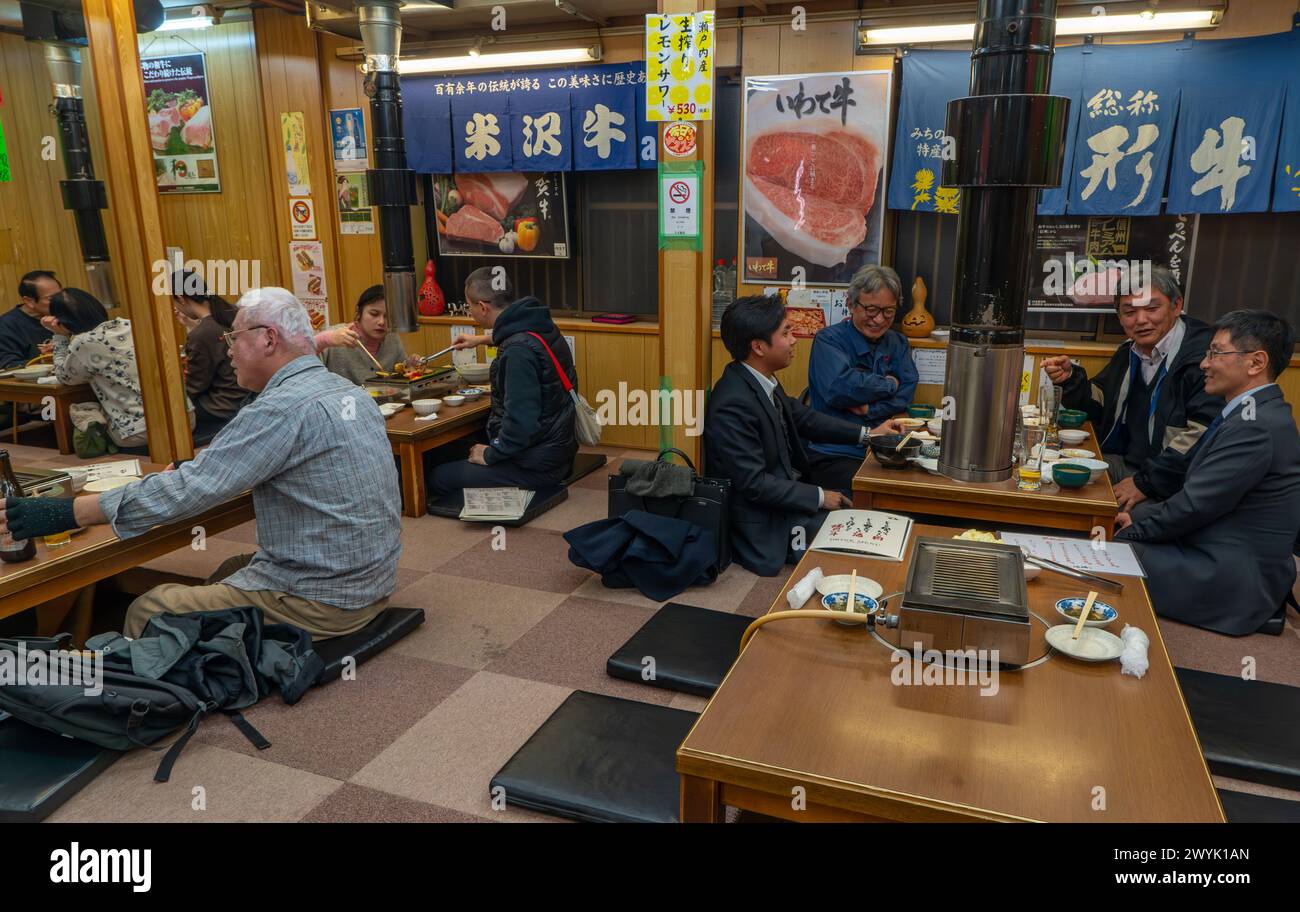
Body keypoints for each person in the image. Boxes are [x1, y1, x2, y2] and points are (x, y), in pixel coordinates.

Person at [1, 288, 402, 640]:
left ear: (267, 339)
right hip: (370, 581)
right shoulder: (344, 390)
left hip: (328, 600)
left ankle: (158, 707)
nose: (227, 350)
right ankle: (209, 643)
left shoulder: (281, 407)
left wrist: (66, 512)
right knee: (233, 565)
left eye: (233, 338)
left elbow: (190, 489)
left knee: (149, 607)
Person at [1115, 310, 1300, 636]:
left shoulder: (1255, 426)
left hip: (1229, 578)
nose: (1204, 363)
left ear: (1256, 362)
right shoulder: (1255, 413)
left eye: (1216, 353)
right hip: (1217, 550)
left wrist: (1132, 532)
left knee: (1106, 558)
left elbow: (1193, 505)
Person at [705, 294, 902, 577]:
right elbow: (754, 484)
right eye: (785, 332)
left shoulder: (759, 378)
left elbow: (804, 418)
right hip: (764, 523)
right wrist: (819, 496)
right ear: (758, 347)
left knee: (872, 513)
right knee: (864, 539)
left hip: (787, 494)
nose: (794, 339)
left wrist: (869, 434)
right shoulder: (732, 402)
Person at [1042, 265, 1220, 516]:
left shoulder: (1204, 359)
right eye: (1130, 312)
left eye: (1151, 308)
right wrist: (1072, 379)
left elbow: (1203, 435)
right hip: (1125, 463)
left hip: (1174, 483)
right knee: (1055, 476)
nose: (1141, 320)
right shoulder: (1129, 351)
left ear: (1177, 305)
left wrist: (1144, 483)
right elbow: (1100, 401)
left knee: (1119, 519)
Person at [430, 267, 578, 500]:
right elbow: (520, 335)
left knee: (439, 476)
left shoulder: (517, 351)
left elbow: (522, 421)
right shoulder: (540, 325)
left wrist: (491, 455)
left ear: (483, 307)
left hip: (536, 466)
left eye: (468, 305)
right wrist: (481, 339)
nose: (469, 311)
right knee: (456, 452)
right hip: (557, 450)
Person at [806, 265, 918, 492]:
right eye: (871, 309)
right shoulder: (828, 340)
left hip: (885, 447)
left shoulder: (897, 342)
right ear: (851, 304)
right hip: (836, 451)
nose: (879, 319)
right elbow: (841, 388)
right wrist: (889, 384)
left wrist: (870, 410)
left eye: (888, 311)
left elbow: (907, 390)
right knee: (881, 494)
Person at [44, 288, 192, 453]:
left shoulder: (83, 343)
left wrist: (59, 336)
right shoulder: (131, 325)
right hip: (185, 419)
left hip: (139, 432)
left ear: (62, 321)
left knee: (85, 411)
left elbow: (64, 377)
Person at [172, 271, 251, 438]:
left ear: (180, 298)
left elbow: (195, 385)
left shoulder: (202, 333)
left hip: (222, 407)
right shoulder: (233, 312)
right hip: (247, 396)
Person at [318, 284, 420, 385]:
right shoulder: (336, 336)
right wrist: (325, 340)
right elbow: (305, 361)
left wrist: (409, 365)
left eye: (387, 316)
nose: (381, 322)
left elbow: (400, 372)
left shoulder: (392, 338)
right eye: (374, 314)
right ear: (359, 313)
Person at [0, 270, 59, 369]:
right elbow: (8, 365)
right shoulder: (6, 325)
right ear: (29, 301)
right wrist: (42, 357)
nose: (60, 301)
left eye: (60, 295)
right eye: (51, 298)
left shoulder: (64, 314)